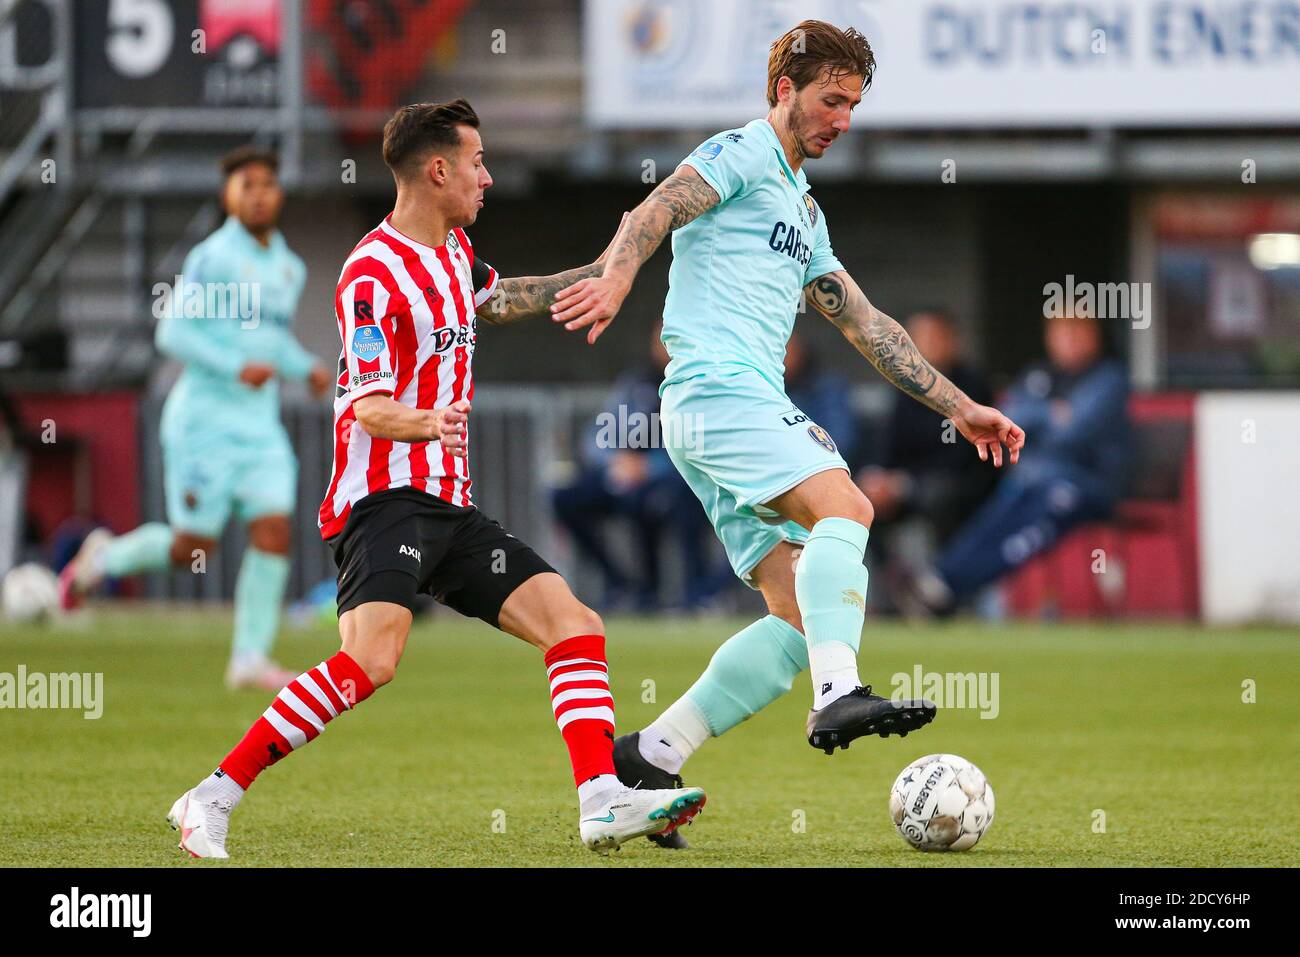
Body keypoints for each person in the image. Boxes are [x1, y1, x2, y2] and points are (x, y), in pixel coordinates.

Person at [165, 99, 704, 860]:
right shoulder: (370, 273)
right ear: (440, 169)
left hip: (449, 506)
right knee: (373, 659)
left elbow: (504, 296)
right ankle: (211, 795)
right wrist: (423, 422)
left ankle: (601, 799)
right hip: (382, 501)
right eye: (478, 162)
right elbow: (364, 403)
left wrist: (618, 262)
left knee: (576, 624)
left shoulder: (454, 252)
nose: (488, 177)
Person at [551, 20, 1025, 846]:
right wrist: (618, 276)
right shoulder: (739, 153)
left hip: (715, 412)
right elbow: (656, 207)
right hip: (719, 394)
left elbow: (867, 322)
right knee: (848, 507)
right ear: (785, 91)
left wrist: (956, 406)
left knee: (795, 613)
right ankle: (839, 692)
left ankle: (651, 756)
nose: (842, 119)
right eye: (831, 100)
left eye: (853, 105)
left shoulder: (804, 209)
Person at [59, 146, 333, 690]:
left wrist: (306, 368)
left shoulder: (288, 267)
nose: (258, 194)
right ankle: (102, 559)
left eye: (267, 184)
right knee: (193, 549)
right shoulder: (213, 259)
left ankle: (249, 658)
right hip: (204, 424)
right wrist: (236, 367)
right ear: (227, 195)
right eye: (246, 185)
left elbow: (271, 341)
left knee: (274, 529)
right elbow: (173, 333)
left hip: (259, 429)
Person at [899, 308, 1129, 615]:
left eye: (1078, 331)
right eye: (1062, 331)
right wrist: (1052, 414)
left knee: (1030, 525)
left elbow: (1073, 432)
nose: (1070, 340)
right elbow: (1008, 417)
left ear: (1094, 336)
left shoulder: (1108, 379)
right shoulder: (1040, 376)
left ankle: (948, 588)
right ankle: (941, 581)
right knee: (996, 516)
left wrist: (1039, 420)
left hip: (1088, 487)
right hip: (1034, 482)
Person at [551, 321, 727, 612]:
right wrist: (616, 461)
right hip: (625, 475)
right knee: (566, 498)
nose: (667, 346)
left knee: (663, 503)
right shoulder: (637, 382)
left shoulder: (704, 385)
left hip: (682, 481)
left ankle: (694, 596)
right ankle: (621, 585)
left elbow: (706, 444)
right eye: (662, 338)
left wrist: (651, 466)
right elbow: (597, 436)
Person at [854, 311, 997, 610]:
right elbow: (886, 447)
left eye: (934, 337)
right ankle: (894, 596)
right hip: (908, 486)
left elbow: (961, 458)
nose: (925, 345)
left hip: (963, 488)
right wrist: (878, 478)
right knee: (862, 506)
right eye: (918, 338)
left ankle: (943, 594)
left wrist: (903, 484)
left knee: (938, 497)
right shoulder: (904, 386)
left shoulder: (972, 387)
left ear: (952, 341)